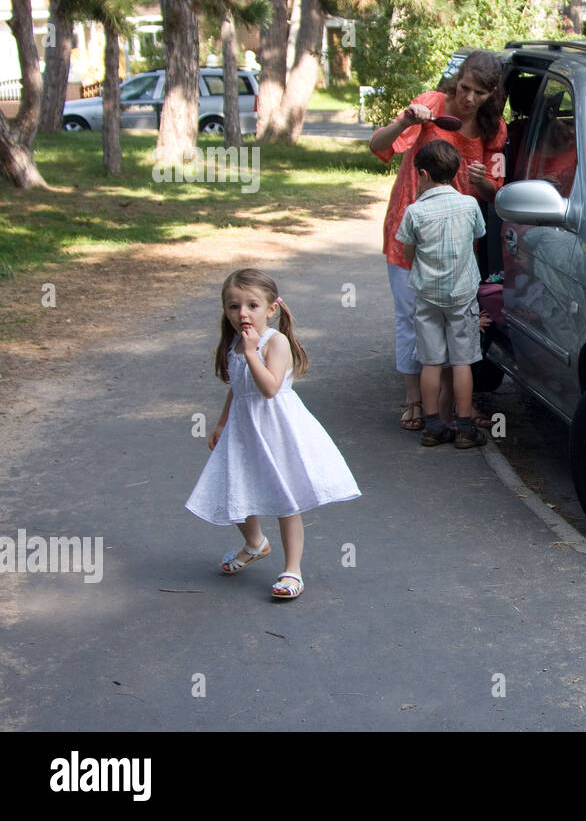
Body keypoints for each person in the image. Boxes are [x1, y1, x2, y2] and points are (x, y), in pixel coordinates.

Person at [184, 269, 360, 599]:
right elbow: (238, 389)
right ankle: (255, 543)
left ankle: (292, 570)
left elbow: (269, 389)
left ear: (271, 309)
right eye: (234, 306)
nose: (243, 314)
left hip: (277, 429)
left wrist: (252, 353)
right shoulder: (235, 344)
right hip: (243, 430)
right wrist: (222, 422)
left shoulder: (273, 342)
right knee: (232, 486)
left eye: (252, 305)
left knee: (284, 498)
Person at [370, 51, 506, 432]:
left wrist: (484, 183)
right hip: (410, 229)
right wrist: (405, 122)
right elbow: (378, 146)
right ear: (456, 80)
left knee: (454, 319)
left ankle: (452, 407)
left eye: (479, 93)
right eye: (464, 88)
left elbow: (496, 188)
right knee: (412, 318)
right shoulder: (432, 104)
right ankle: (414, 400)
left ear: (491, 93)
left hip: (456, 241)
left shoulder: (493, 128)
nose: (468, 99)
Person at [393, 140, 487, 449]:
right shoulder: (470, 205)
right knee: (462, 362)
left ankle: (433, 426)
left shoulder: (414, 212)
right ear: (455, 171)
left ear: (422, 174)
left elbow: (408, 252)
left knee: (431, 362)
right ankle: (464, 428)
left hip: (428, 297)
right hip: (461, 294)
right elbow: (478, 235)